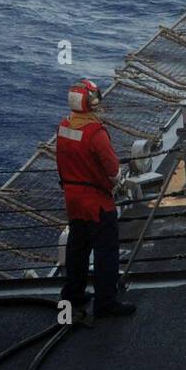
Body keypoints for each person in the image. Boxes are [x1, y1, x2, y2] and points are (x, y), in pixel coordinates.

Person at [55, 79, 136, 321]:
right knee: (106, 252)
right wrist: (118, 182)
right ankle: (106, 303)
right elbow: (112, 169)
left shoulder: (63, 127)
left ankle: (73, 294)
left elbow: (61, 162)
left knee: (77, 248)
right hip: (97, 202)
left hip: (72, 198)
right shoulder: (95, 133)